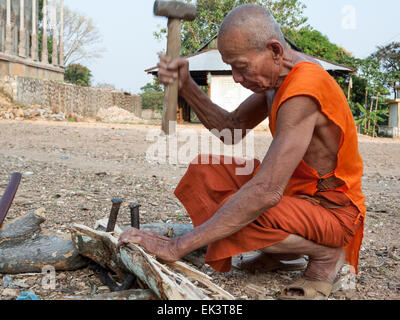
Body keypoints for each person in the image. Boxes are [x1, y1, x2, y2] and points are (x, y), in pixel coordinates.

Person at [118, 4, 366, 300]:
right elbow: (232, 129)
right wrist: (186, 86)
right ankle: (283, 252)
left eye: (241, 66)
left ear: (275, 50)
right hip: (297, 197)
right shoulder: (276, 80)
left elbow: (266, 192)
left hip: (334, 212)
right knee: (206, 173)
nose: (236, 77)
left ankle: (325, 253)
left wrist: (175, 247)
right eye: (231, 67)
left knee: (246, 209)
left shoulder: (305, 89)